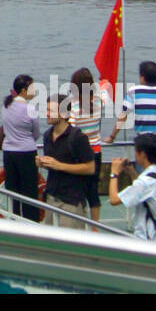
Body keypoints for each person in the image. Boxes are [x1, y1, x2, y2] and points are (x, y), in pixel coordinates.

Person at [37, 95, 95, 229]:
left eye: (50, 111)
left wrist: (59, 166)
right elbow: (54, 163)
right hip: (51, 196)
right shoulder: (47, 136)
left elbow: (90, 168)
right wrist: (43, 163)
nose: (47, 113)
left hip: (71, 200)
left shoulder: (77, 138)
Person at [107, 60, 156, 166]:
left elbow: (123, 117)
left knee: (145, 177)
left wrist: (112, 136)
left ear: (142, 77)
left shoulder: (134, 91)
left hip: (145, 142)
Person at [107, 134, 156, 241]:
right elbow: (144, 192)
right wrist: (131, 172)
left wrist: (114, 173)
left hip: (147, 239)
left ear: (143, 154)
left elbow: (114, 200)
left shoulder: (145, 182)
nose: (134, 155)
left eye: (136, 152)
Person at [68, 66, 108, 225]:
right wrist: (103, 83)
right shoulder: (99, 101)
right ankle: (95, 226)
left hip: (79, 153)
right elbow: (106, 91)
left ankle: (81, 222)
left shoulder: (73, 105)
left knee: (78, 189)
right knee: (93, 190)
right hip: (96, 151)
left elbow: (71, 128)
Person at [1, 74, 43, 221]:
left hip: (9, 153)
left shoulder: (6, 105)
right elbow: (36, 133)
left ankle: (14, 222)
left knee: (13, 192)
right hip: (26, 153)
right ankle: (31, 224)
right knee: (29, 193)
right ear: (24, 90)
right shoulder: (30, 108)